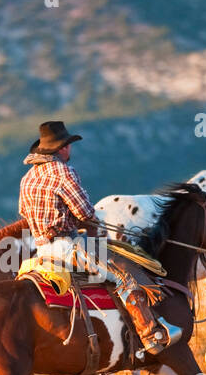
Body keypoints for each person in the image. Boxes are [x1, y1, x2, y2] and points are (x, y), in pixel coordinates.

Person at [18, 120, 180, 356]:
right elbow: (85, 212)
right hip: (67, 247)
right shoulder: (63, 172)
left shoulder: (28, 178)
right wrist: (78, 223)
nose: (69, 149)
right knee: (125, 274)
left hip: (41, 250)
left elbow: (24, 213)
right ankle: (150, 335)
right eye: (68, 145)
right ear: (63, 148)